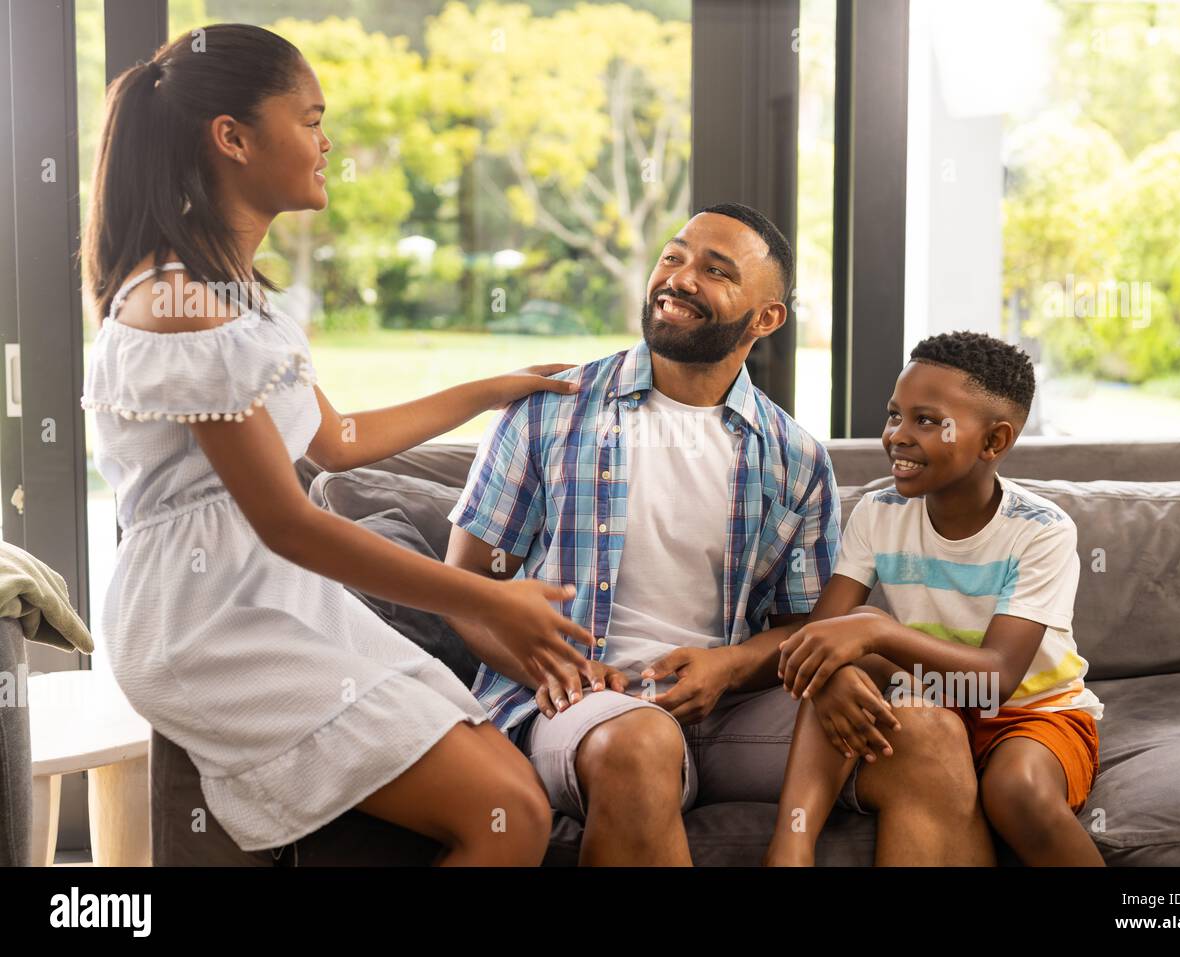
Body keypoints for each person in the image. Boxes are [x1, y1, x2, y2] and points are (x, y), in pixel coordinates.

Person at [80, 24, 597, 865]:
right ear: (233, 138)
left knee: (511, 804)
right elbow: (292, 523)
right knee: (510, 809)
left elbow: (338, 440)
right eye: (312, 119)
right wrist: (484, 598)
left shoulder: (237, 295)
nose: (329, 143)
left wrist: (490, 390)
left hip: (273, 597)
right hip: (207, 621)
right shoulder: (183, 307)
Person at [443, 204, 984, 866]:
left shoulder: (794, 456)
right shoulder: (550, 409)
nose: (680, 278)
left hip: (725, 714)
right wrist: (552, 665)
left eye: (715, 270)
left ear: (766, 318)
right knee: (642, 743)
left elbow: (803, 629)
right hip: (579, 707)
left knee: (928, 734)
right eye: (673, 257)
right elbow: (465, 586)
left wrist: (728, 666)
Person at [765, 331, 1105, 866]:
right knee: (840, 665)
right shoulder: (879, 511)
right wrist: (847, 655)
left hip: (1029, 714)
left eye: (927, 421)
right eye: (894, 414)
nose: (897, 435)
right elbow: (819, 637)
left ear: (994, 441)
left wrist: (876, 628)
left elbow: (996, 678)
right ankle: (791, 847)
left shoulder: (1041, 531)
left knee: (1016, 789)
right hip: (931, 702)